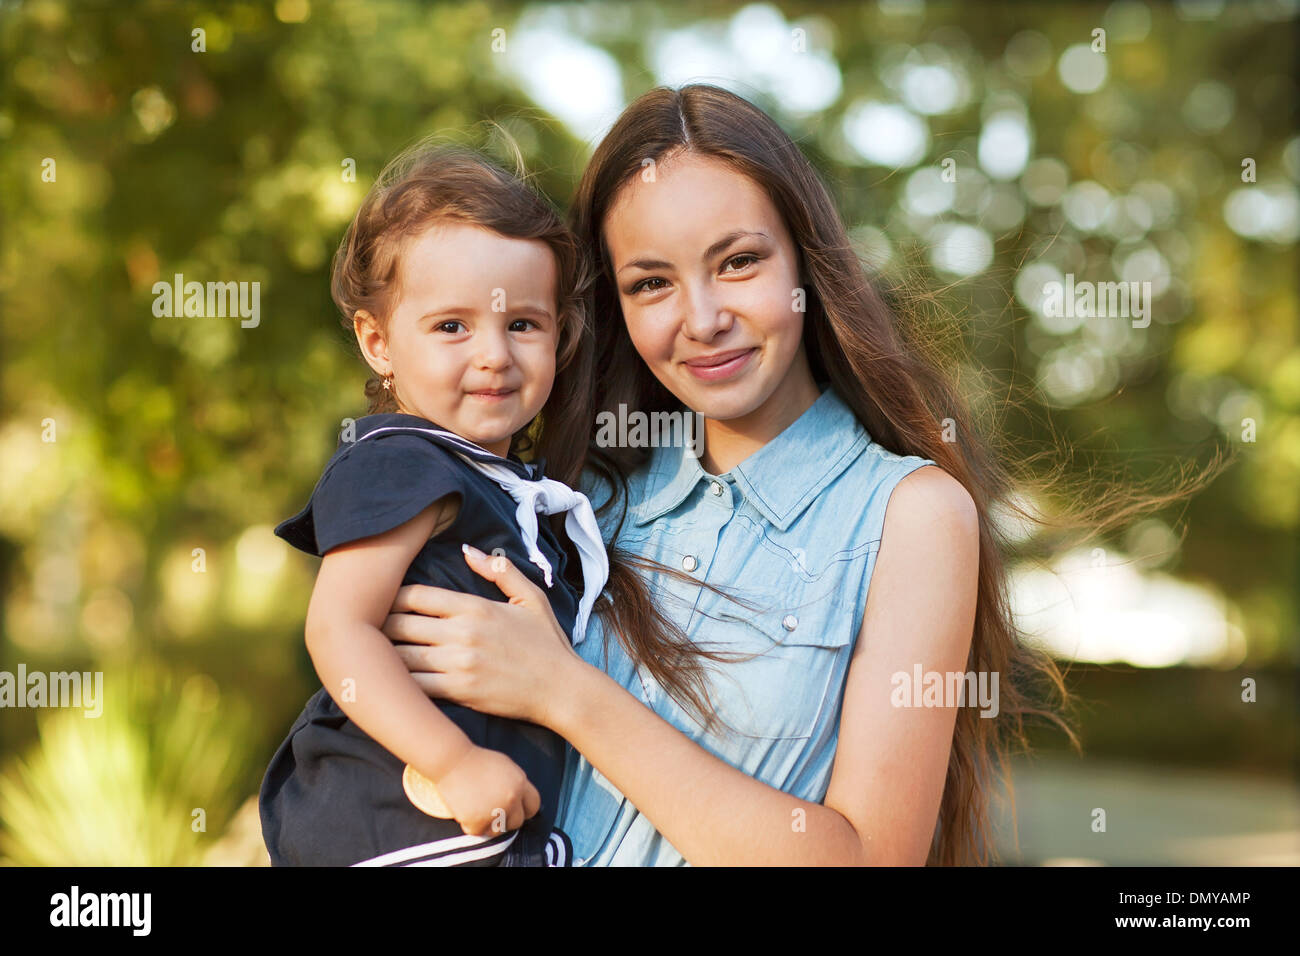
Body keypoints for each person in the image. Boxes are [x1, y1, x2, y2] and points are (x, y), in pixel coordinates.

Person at [382, 85, 1077, 866]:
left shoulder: (910, 516)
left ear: (806, 263)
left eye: (739, 262)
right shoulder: (574, 500)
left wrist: (563, 692)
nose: (703, 318)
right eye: (652, 283)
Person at [259, 142, 674, 867]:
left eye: (523, 324)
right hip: (394, 825)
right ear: (378, 341)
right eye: (452, 326)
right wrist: (451, 761)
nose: (494, 355)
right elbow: (338, 631)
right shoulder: (399, 463)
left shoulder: (506, 484)